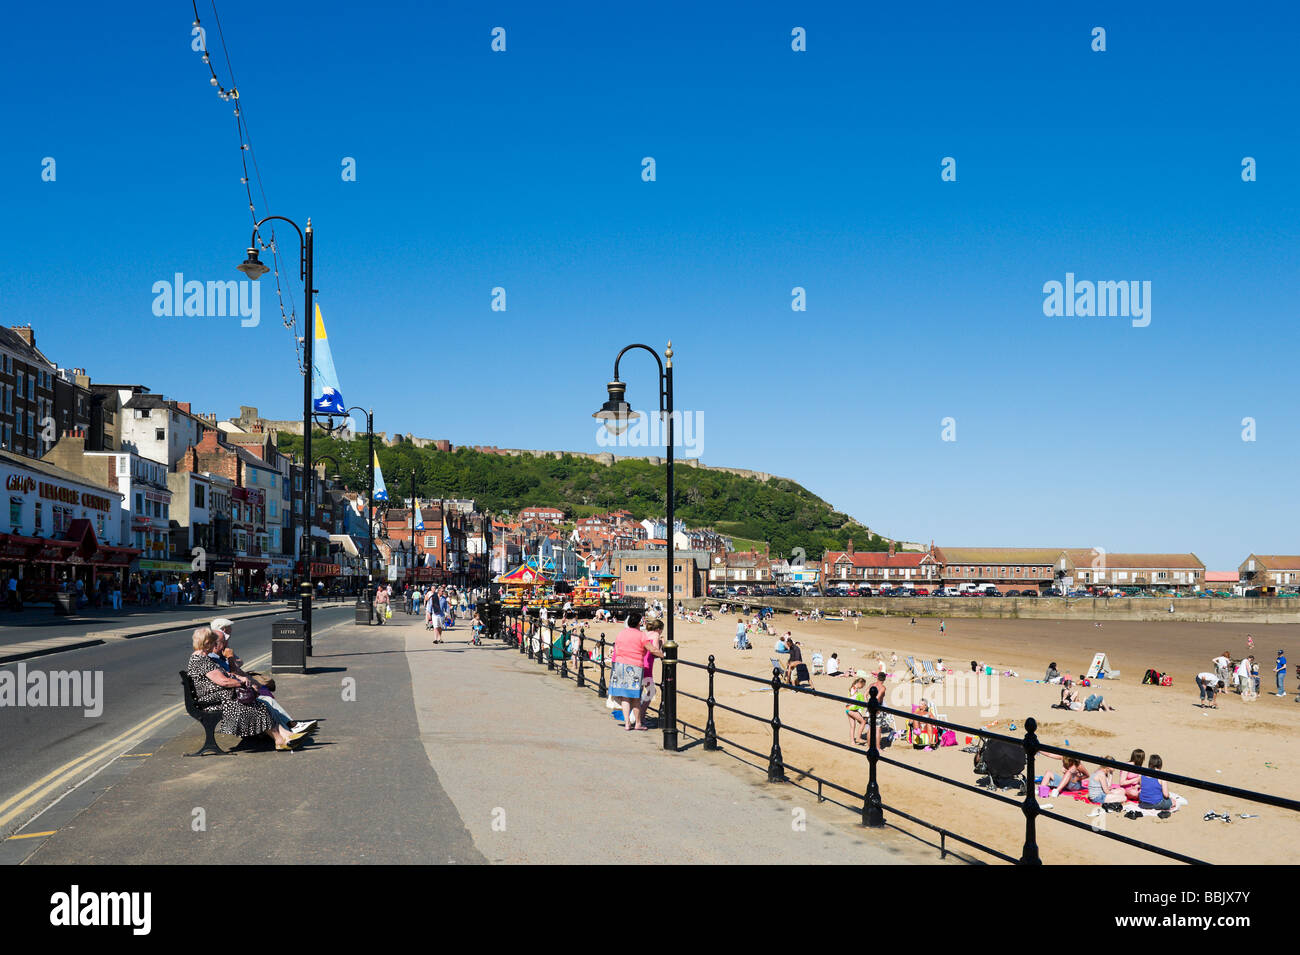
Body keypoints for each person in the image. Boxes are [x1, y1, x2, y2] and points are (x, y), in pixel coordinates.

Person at [186, 628, 306, 751]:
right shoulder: (200, 660)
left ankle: (286, 736)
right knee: (257, 707)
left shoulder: (202, 658)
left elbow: (225, 676)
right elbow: (224, 681)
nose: (215, 645)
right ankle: (281, 739)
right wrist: (241, 682)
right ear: (207, 643)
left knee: (260, 704)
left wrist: (239, 678)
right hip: (215, 703)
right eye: (213, 642)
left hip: (219, 699)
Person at [209, 619, 316, 735]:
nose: (227, 640)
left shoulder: (219, 652)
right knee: (264, 698)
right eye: (222, 641)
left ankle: (290, 726)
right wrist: (242, 678)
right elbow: (230, 676)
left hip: (229, 693)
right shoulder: (213, 657)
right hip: (226, 698)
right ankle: (289, 728)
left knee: (264, 694)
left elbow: (233, 671)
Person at [608, 612, 660, 731]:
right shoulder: (641, 635)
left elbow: (616, 648)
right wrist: (663, 655)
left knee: (625, 697)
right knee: (635, 697)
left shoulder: (621, 633)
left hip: (620, 665)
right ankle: (638, 723)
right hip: (635, 667)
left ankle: (627, 724)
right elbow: (652, 649)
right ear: (638, 623)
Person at [638, 618, 665, 726]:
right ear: (659, 629)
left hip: (639, 664)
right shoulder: (655, 635)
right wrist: (662, 643)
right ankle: (642, 716)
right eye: (662, 630)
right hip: (647, 666)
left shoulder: (645, 633)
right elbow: (656, 651)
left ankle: (638, 715)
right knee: (651, 691)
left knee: (640, 690)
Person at [845, 677, 869, 745]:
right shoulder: (854, 689)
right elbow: (855, 697)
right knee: (863, 721)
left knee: (852, 726)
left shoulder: (852, 688)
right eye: (862, 685)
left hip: (848, 709)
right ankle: (858, 738)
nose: (862, 687)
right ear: (859, 683)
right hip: (852, 710)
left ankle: (852, 742)